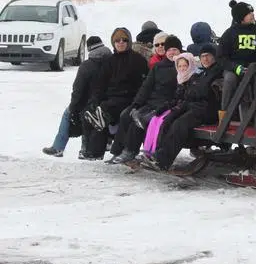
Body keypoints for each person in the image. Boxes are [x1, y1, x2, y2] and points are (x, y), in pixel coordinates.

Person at [139, 51, 223, 171]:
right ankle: (156, 154)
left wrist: (190, 94)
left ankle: (162, 161)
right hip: (192, 106)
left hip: (204, 109)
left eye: (208, 56)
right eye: (202, 56)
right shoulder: (197, 74)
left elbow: (200, 93)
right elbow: (186, 95)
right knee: (166, 120)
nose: (205, 59)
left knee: (179, 124)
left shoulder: (209, 72)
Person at [105, 35, 182, 164]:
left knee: (139, 120)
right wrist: (136, 104)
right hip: (150, 102)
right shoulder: (158, 67)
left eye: (175, 50)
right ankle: (117, 151)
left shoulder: (182, 65)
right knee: (126, 114)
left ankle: (130, 151)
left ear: (180, 51)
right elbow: (146, 87)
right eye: (169, 50)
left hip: (165, 105)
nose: (172, 53)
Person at [82, 27, 149, 159]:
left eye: (124, 40)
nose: (121, 43)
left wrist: (136, 101)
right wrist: (94, 100)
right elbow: (100, 85)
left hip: (129, 98)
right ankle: (94, 151)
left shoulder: (138, 60)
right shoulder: (109, 62)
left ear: (128, 42)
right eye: (117, 40)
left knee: (105, 111)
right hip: (110, 98)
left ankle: (108, 150)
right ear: (113, 43)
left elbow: (143, 85)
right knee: (92, 110)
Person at [42, 36, 111, 159]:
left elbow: (78, 90)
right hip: (109, 103)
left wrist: (73, 107)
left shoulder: (87, 65)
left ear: (89, 49)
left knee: (69, 114)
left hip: (88, 103)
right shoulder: (113, 61)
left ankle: (58, 147)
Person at [216, 0, 256, 123]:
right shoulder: (229, 33)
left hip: (255, 68)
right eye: (249, 13)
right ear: (241, 17)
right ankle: (224, 114)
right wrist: (235, 67)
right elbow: (221, 57)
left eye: (252, 12)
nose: (252, 14)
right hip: (234, 68)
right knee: (229, 80)